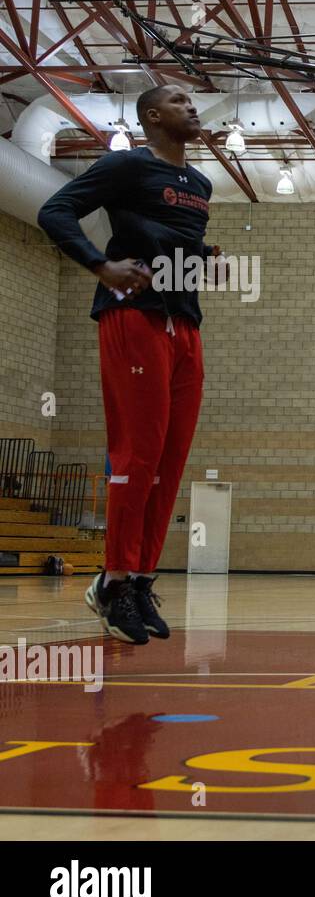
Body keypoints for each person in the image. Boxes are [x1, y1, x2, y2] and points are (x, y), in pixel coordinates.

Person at [38, 84, 215, 646]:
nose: (193, 106)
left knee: (170, 458)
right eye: (180, 100)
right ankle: (112, 582)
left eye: (193, 99)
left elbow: (171, 240)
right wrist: (99, 265)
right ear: (153, 116)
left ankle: (140, 579)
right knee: (136, 455)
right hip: (132, 318)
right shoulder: (126, 165)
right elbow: (54, 209)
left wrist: (203, 260)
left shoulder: (201, 183)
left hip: (185, 324)